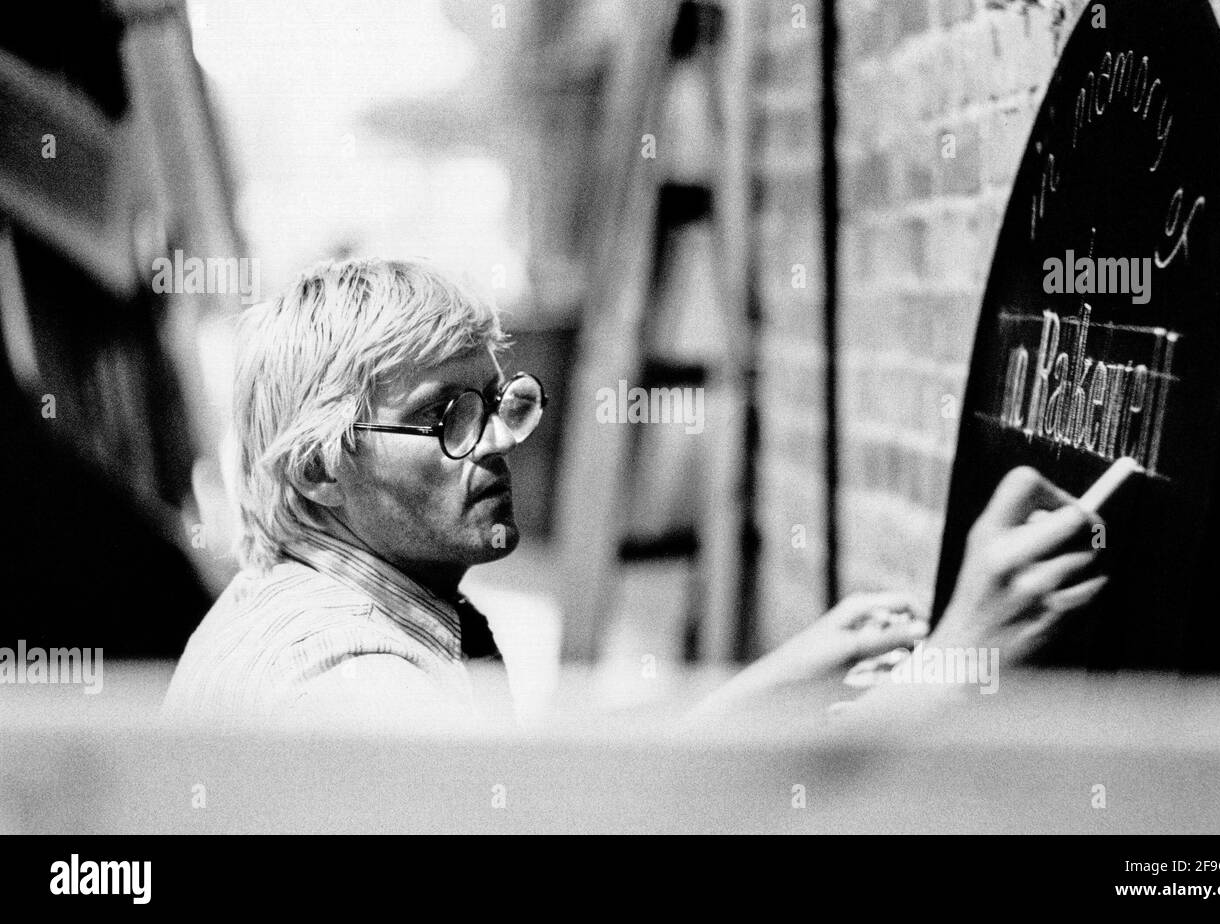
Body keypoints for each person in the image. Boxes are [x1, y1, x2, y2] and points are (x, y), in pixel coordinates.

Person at [164, 258, 1107, 726]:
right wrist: (955, 666)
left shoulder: (329, 602)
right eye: (445, 416)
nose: (494, 443)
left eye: (495, 404)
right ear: (320, 469)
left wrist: (771, 690)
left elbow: (566, 805)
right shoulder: (350, 683)